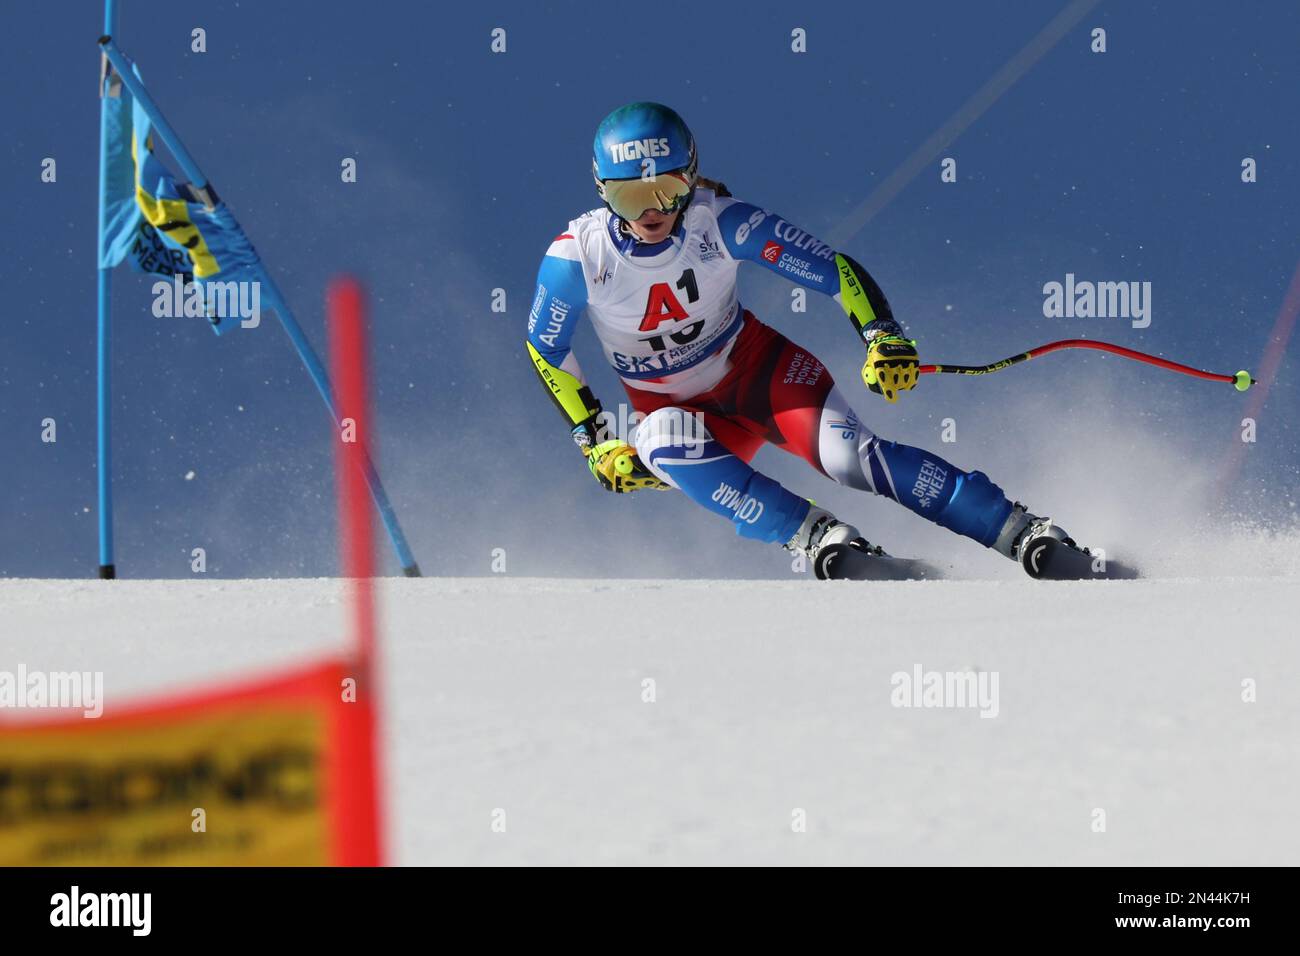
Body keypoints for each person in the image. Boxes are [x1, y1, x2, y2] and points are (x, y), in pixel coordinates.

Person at [525, 102, 1079, 577]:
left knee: (850, 459)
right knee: (659, 441)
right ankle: (818, 536)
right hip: (683, 416)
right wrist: (594, 440)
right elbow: (545, 348)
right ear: (602, 194)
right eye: (629, 199)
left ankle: (1019, 529)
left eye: (667, 192)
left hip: (762, 377)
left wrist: (882, 336)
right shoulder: (578, 257)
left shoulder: (721, 223)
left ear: (691, 178)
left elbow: (831, 270)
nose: (651, 214)